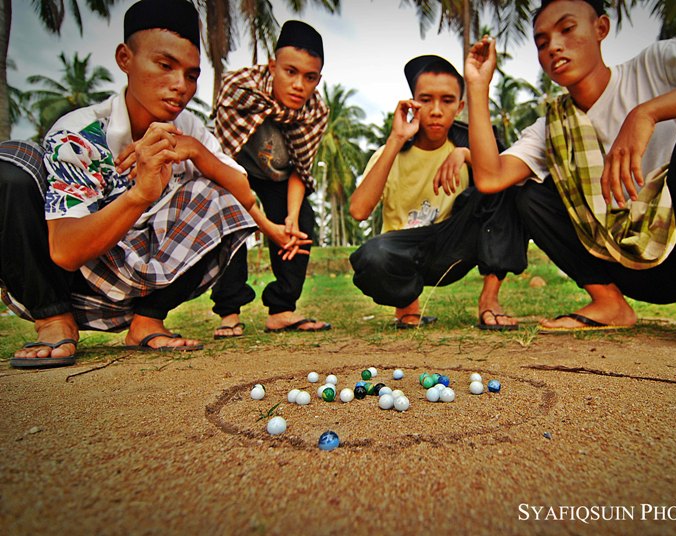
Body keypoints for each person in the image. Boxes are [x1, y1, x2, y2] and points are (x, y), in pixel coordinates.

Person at [465, 0, 676, 351]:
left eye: (567, 29)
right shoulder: (551, 126)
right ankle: (608, 302)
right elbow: (490, 178)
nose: (554, 47)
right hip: (630, 266)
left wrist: (648, 113)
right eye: (542, 41)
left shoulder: (655, 65)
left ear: (601, 29)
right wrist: (477, 86)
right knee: (529, 195)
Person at [0, 0, 307, 367]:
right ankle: (52, 319)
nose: (180, 86)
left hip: (142, 277)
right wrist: (140, 195)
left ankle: (147, 320)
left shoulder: (189, 127)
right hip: (72, 280)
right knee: (11, 164)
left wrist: (195, 151)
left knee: (223, 190)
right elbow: (65, 251)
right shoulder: (81, 133)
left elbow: (242, 191)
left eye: (191, 75)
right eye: (164, 66)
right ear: (125, 58)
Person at [349, 55, 527, 329]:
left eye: (446, 100)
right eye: (426, 99)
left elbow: (502, 182)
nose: (435, 110)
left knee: (508, 183)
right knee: (372, 256)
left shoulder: (469, 145)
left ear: (460, 107)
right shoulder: (390, 152)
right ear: (412, 103)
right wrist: (396, 139)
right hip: (403, 251)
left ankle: (489, 301)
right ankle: (407, 307)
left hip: (451, 247)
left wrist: (467, 155)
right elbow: (359, 211)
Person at [210, 20, 332, 336]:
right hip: (233, 172)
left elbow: (300, 170)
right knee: (229, 218)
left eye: (310, 78)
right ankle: (229, 312)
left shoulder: (315, 110)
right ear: (272, 66)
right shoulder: (240, 89)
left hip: (279, 177)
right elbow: (222, 163)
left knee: (301, 223)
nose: (299, 85)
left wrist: (289, 220)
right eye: (290, 72)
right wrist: (266, 227)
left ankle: (282, 310)